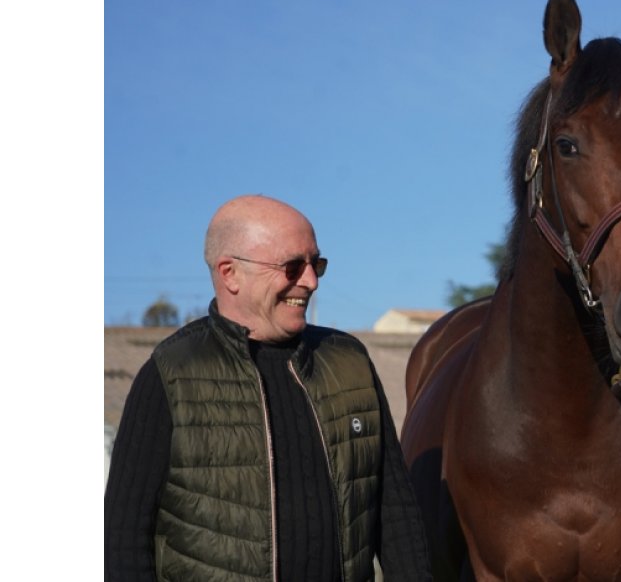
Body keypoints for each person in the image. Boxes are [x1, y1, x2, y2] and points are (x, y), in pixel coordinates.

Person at [105, 195, 431, 581]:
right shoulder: (172, 373)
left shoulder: (349, 363)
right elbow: (123, 538)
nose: (310, 281)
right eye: (292, 267)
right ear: (230, 274)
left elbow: (396, 514)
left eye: (316, 264)